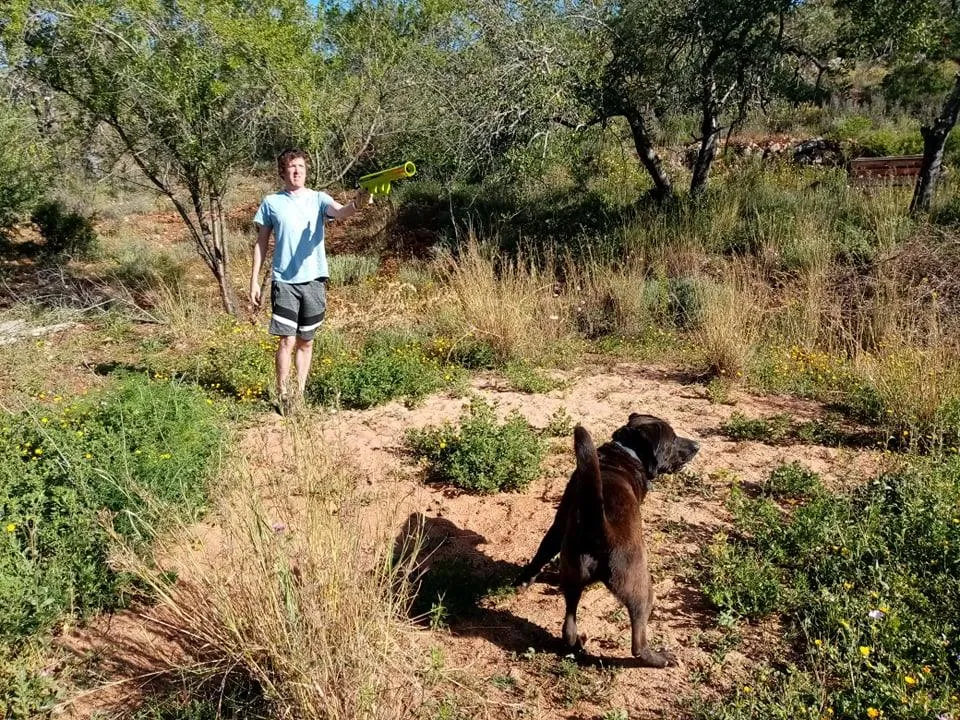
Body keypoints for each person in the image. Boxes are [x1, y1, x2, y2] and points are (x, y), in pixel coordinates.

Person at [250, 148, 370, 415]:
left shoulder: (318, 199)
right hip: (284, 280)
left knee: (307, 340)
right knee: (286, 340)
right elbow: (261, 243)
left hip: (314, 280)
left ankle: (299, 394)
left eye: (301, 167)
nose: (297, 171)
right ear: (283, 171)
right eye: (292, 167)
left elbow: (341, 212)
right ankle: (283, 395)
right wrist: (255, 280)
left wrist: (360, 201)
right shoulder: (271, 202)